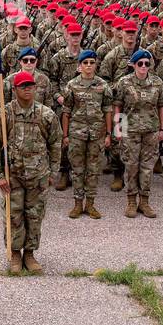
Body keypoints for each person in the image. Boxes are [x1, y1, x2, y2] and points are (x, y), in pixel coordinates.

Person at [0, 70, 61, 274]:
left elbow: (55, 145)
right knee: (14, 216)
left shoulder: (46, 114)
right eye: (23, 86)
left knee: (34, 216)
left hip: (38, 177)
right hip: (14, 177)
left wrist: (53, 173)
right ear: (15, 89)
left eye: (30, 85)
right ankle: (14, 254)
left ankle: (29, 253)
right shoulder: (5, 114)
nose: (27, 89)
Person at [112, 48, 163, 217]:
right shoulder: (124, 82)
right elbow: (117, 105)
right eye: (140, 64)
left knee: (147, 167)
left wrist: (162, 129)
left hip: (151, 130)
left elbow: (162, 106)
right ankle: (131, 201)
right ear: (134, 65)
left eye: (146, 64)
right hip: (130, 129)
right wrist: (118, 127)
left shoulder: (157, 83)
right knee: (131, 166)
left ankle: (144, 201)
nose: (143, 66)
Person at [60, 50, 113, 219]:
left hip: (97, 134)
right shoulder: (72, 85)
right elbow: (66, 111)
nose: (88, 65)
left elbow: (107, 111)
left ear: (96, 65)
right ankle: (77, 204)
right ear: (79, 66)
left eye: (91, 62)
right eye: (85, 63)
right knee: (77, 169)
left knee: (93, 170)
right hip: (77, 133)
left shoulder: (103, 86)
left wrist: (108, 134)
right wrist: (65, 135)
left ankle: (90, 204)